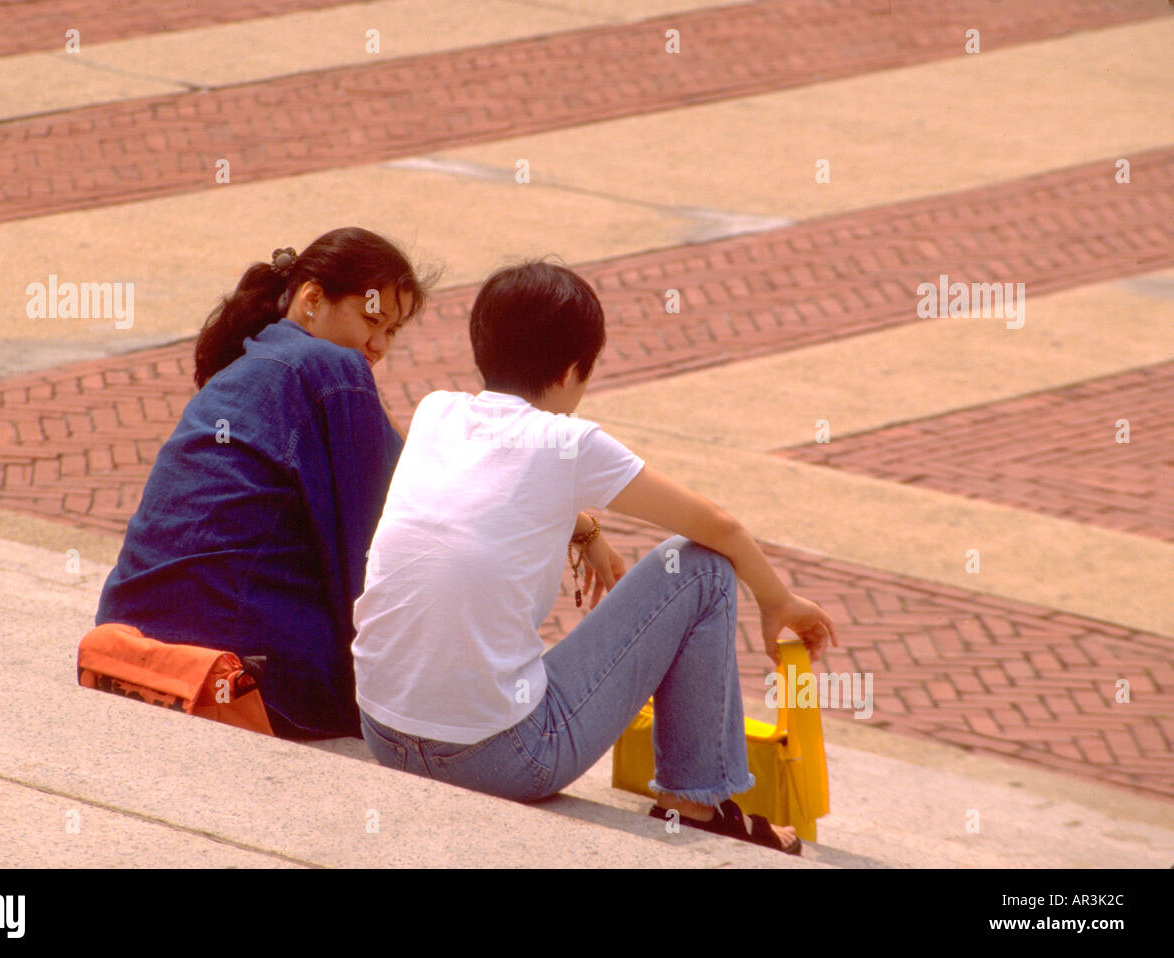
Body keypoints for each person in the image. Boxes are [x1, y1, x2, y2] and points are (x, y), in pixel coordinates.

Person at [351, 261, 837, 853]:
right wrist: (777, 599)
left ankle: (697, 790)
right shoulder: (568, 441)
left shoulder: (436, 412)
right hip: (502, 759)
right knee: (702, 570)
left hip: (382, 730)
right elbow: (719, 527)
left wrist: (582, 531)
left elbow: (487, 490)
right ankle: (697, 799)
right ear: (573, 369)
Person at [96, 227, 436, 740]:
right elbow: (383, 543)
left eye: (392, 332)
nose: (379, 345)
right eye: (371, 319)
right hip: (238, 672)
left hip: (126, 641)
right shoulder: (332, 369)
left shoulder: (244, 367)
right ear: (312, 298)